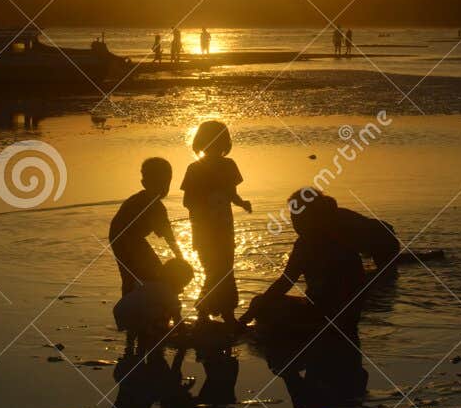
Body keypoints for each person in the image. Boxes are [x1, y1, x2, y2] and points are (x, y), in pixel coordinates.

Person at [239, 189, 367, 341]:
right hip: (347, 316)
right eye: (292, 216)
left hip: (323, 314)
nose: (293, 221)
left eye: (297, 216)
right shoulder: (342, 236)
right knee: (262, 304)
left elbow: (285, 282)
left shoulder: (307, 243)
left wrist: (247, 316)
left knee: (260, 303)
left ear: (312, 216)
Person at [181, 119, 250, 324]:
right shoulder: (196, 168)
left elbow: (231, 193)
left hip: (221, 229)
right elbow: (188, 201)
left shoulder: (226, 166)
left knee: (222, 269)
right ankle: (205, 308)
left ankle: (223, 311)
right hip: (206, 230)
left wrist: (241, 202)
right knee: (217, 270)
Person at [108, 158, 186, 295]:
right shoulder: (155, 207)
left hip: (120, 238)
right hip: (127, 240)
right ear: (144, 183)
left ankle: (131, 303)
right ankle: (148, 303)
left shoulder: (139, 200)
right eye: (161, 183)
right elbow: (169, 237)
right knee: (152, 272)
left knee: (131, 275)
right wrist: (180, 256)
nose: (164, 187)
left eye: (166, 182)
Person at [113, 255, 193, 346]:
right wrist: (184, 335)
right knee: (161, 312)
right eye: (183, 285)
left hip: (122, 310)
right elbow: (177, 317)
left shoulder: (148, 283)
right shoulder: (168, 294)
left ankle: (130, 342)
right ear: (176, 281)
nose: (183, 290)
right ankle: (149, 338)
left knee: (136, 324)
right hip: (136, 314)